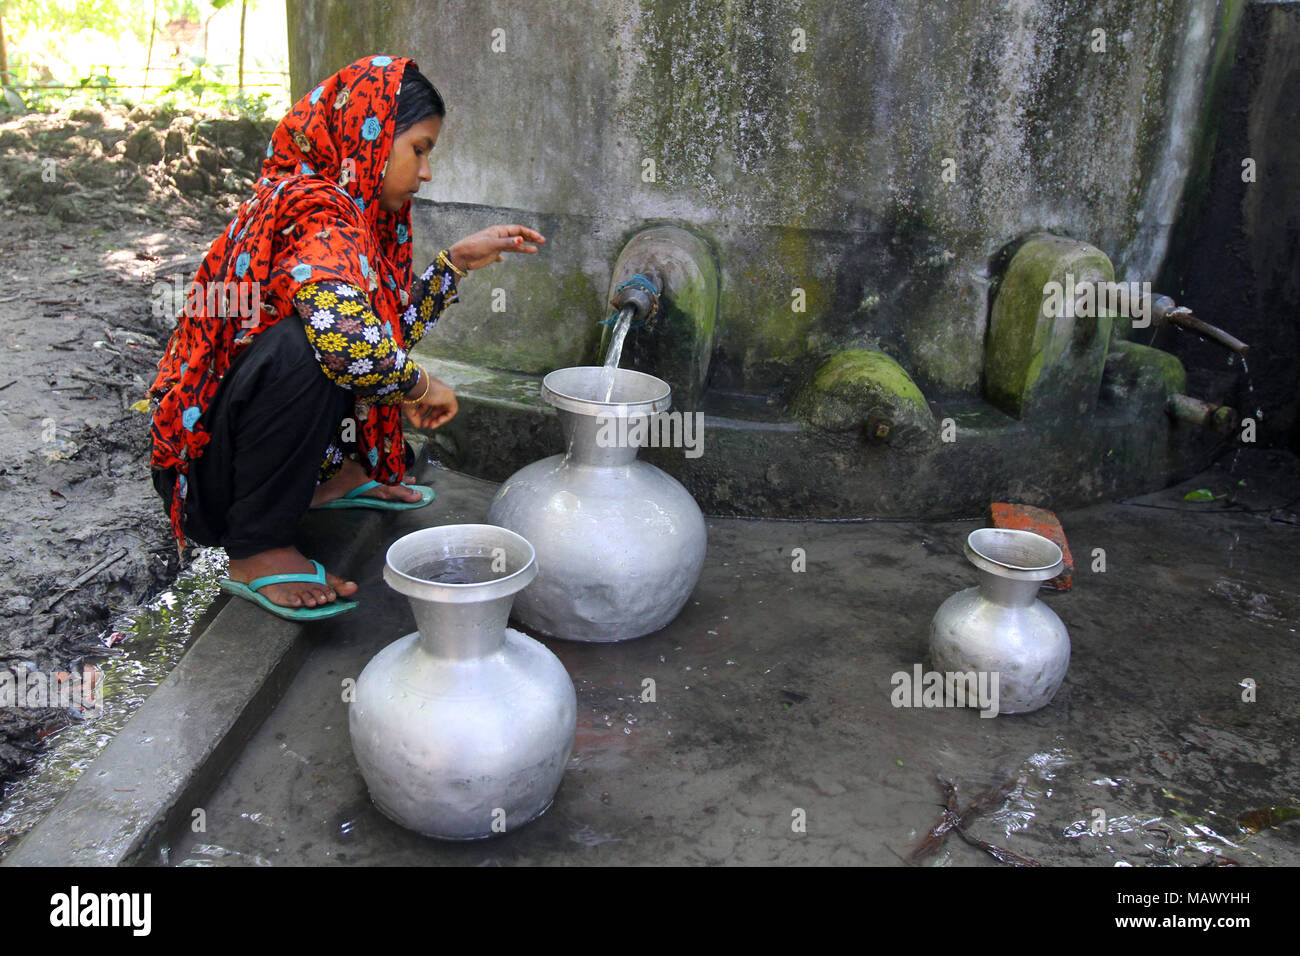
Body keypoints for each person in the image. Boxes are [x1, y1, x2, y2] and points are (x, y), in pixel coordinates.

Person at [148, 54, 545, 619]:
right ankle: (258, 551)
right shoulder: (314, 209)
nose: (426, 172)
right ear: (373, 135)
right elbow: (348, 346)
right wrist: (418, 385)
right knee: (313, 346)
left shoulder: (346, 215)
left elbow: (381, 336)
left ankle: (325, 482)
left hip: (230, 450)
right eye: (420, 149)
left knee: (338, 337)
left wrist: (454, 263)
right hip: (206, 477)